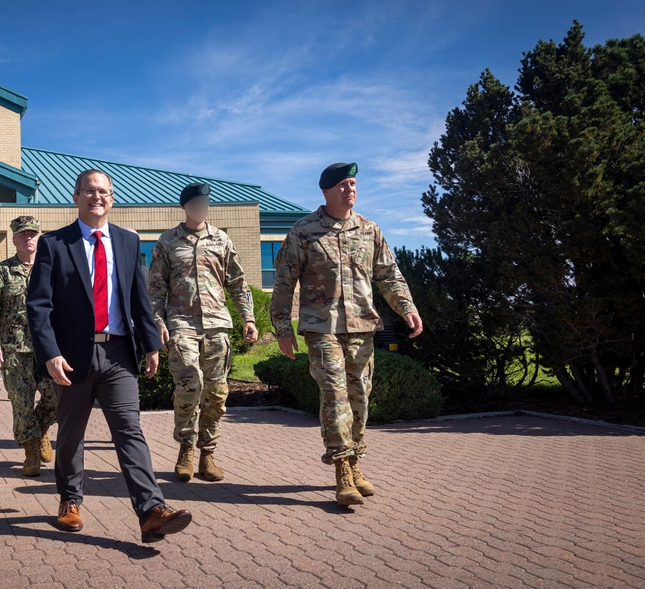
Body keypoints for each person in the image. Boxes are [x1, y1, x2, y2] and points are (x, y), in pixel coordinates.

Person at [26, 168, 193, 543]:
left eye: (102, 191)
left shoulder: (128, 242)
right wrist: (50, 353)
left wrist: (151, 344)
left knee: (130, 431)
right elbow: (37, 306)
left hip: (118, 353)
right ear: (76, 196)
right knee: (71, 434)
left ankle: (151, 511)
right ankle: (69, 501)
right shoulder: (54, 244)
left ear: (112, 198)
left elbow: (139, 299)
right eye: (88, 190)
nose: (96, 196)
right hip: (72, 358)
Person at [270, 162, 423, 506]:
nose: (350, 189)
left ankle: (355, 462)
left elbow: (389, 275)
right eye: (342, 185)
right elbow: (284, 281)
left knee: (360, 399)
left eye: (353, 183)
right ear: (326, 191)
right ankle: (341, 469)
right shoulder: (303, 231)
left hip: (362, 329)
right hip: (321, 328)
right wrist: (282, 326)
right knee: (335, 396)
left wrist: (407, 309)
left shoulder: (370, 230)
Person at [148, 182, 258, 482]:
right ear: (185, 207)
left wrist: (248, 318)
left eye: (205, 203)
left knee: (218, 392)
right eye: (196, 203)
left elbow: (238, 283)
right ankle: (186, 450)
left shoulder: (221, 239)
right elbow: (155, 288)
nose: (201, 208)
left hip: (217, 325)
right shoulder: (168, 241)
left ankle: (208, 454)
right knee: (189, 385)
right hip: (181, 323)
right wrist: (158, 323)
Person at [0, 215, 57, 477]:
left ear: (40, 237)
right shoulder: (0, 273)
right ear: (14, 239)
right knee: (22, 404)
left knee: (56, 399)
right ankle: (31, 451)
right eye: (23, 234)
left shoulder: (52, 269)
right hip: (15, 350)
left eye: (33, 233)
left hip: (49, 349)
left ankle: (42, 431)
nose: (28, 238)